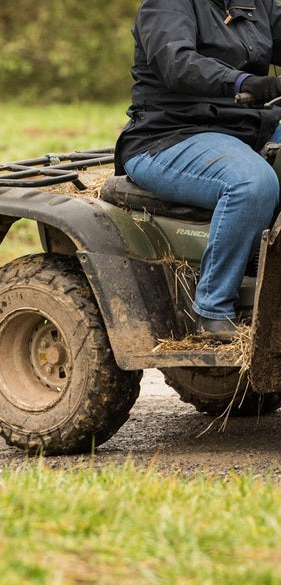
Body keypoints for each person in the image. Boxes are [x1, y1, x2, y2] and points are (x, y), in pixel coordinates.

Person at [115, 0, 281, 341]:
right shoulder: (167, 5)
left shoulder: (255, 3)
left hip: (248, 129)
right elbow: (177, 64)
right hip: (169, 135)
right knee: (253, 183)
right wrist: (243, 82)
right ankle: (212, 309)